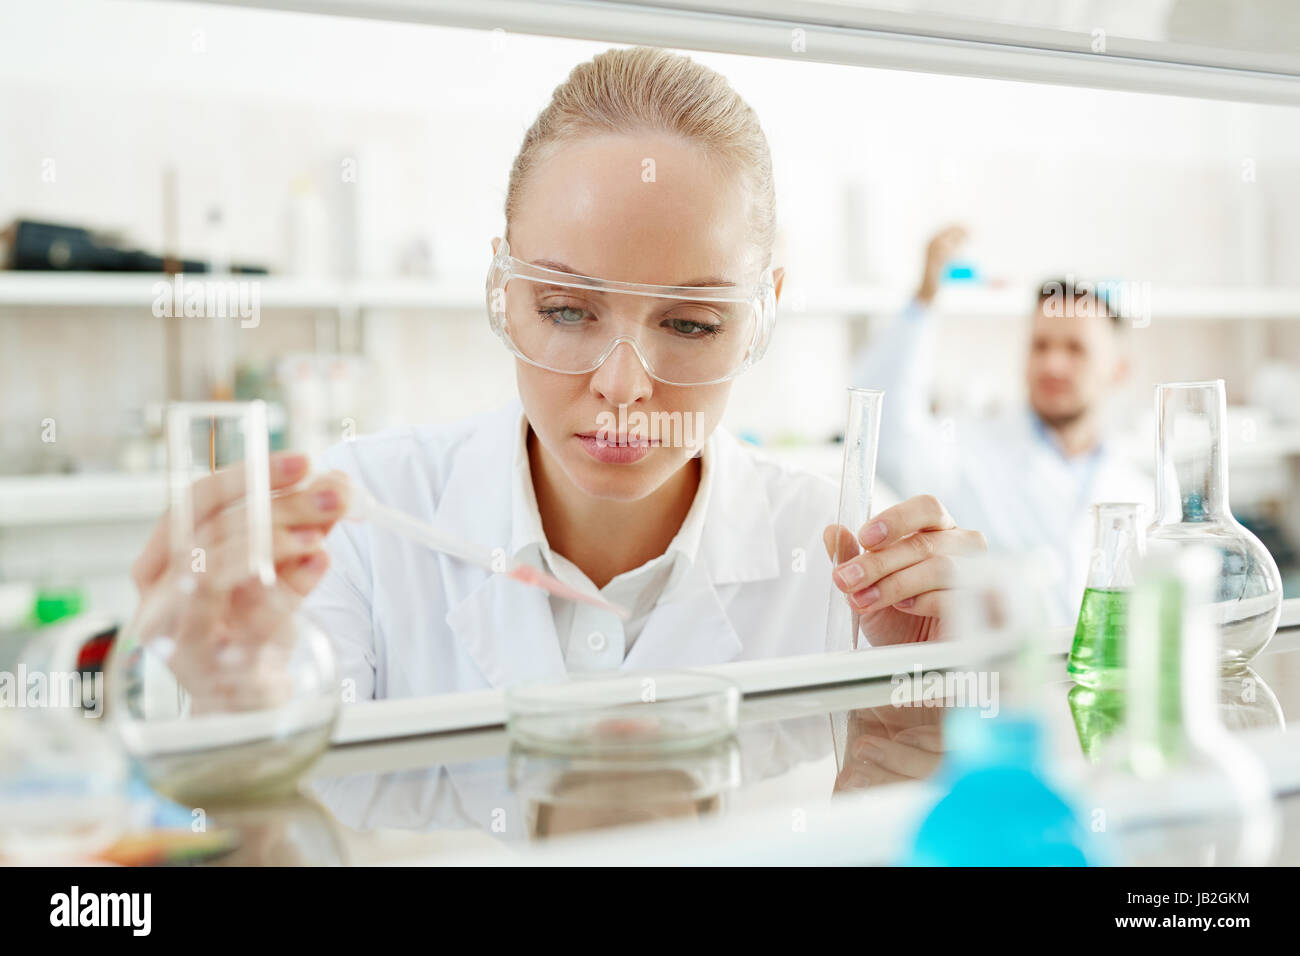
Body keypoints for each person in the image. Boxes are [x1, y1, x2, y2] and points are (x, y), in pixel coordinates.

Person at [130, 48, 987, 702]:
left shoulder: (849, 568)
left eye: (690, 323)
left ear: (762, 312)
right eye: (569, 311)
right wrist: (227, 701)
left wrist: (944, 697)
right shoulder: (361, 525)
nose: (623, 386)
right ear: (503, 292)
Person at [852, 226, 1150, 625]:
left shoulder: (1139, 492)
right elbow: (884, 439)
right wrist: (923, 300)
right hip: (999, 684)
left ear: (1118, 370)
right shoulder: (968, 450)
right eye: (1040, 346)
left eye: (1075, 348)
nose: (1052, 364)